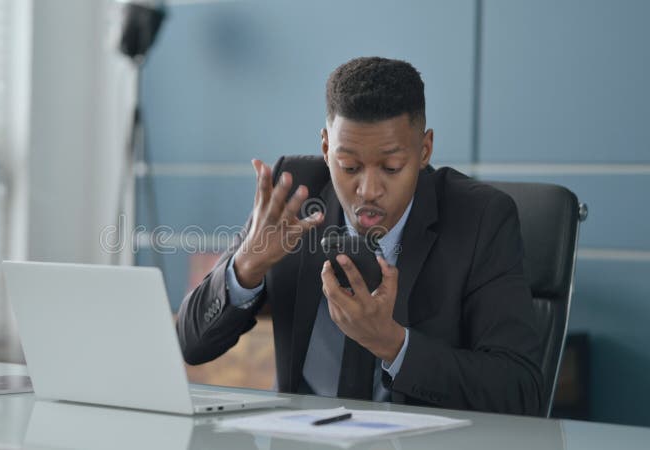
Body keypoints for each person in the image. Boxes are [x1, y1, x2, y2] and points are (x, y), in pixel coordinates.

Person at [176, 57, 543, 415]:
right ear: (325, 148)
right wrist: (245, 267)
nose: (368, 190)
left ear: (425, 149)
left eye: (391, 167)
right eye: (348, 166)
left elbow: (520, 390)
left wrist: (393, 344)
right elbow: (189, 344)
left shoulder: (480, 219)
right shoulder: (297, 192)